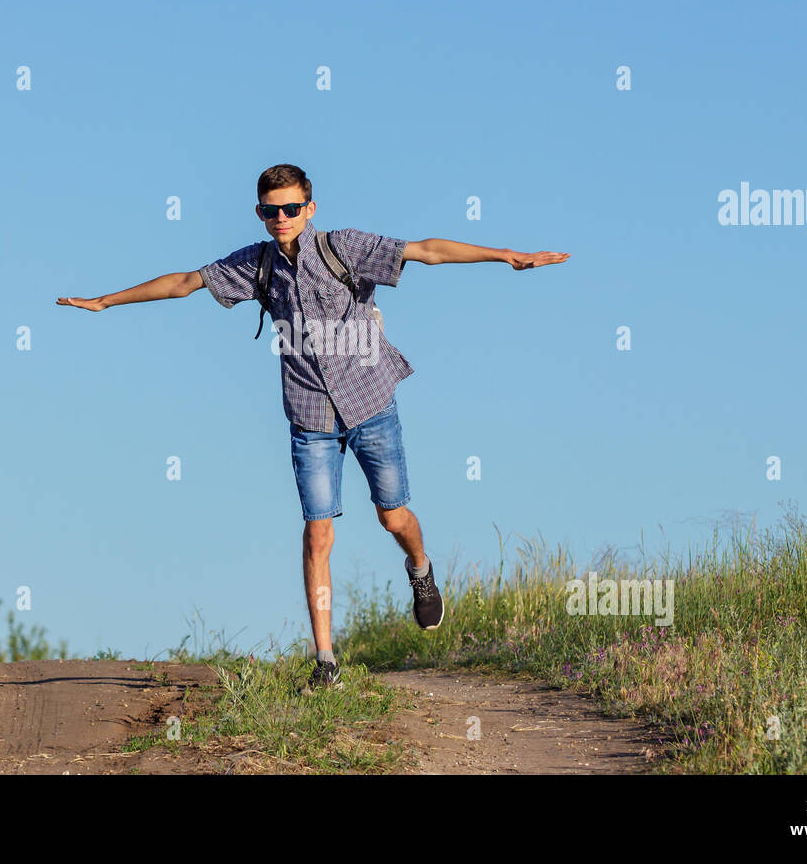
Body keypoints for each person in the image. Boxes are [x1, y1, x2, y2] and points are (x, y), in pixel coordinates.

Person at [57, 163, 569, 692]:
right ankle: (326, 662)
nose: (281, 217)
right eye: (271, 210)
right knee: (317, 533)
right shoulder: (256, 265)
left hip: (370, 402)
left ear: (310, 209)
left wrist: (506, 255)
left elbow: (426, 250)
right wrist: (106, 301)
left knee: (393, 518)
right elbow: (185, 283)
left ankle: (420, 568)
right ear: (260, 213)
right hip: (310, 418)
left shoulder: (342, 248)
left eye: (291, 208)